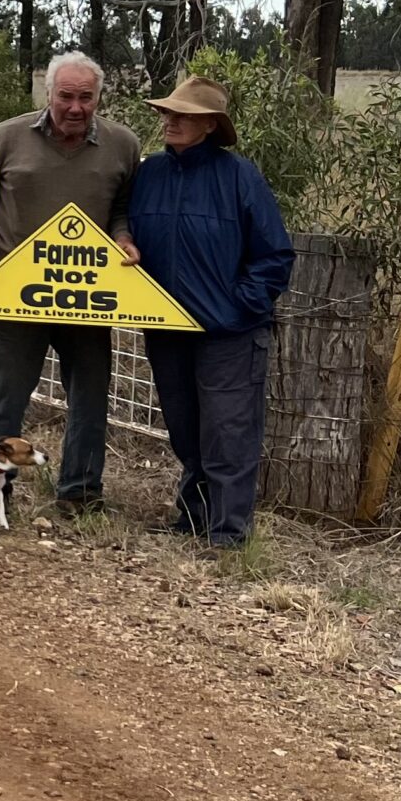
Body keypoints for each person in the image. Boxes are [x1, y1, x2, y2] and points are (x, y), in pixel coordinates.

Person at [0, 50, 143, 517]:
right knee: (6, 397)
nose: (75, 107)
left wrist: (123, 237)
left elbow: (124, 207)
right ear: (47, 94)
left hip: (85, 295)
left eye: (86, 98)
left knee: (89, 395)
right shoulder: (4, 139)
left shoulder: (123, 146)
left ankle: (80, 493)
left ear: (98, 98)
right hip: (12, 297)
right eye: (66, 96)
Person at [128, 76, 295, 549]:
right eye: (167, 112)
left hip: (229, 332)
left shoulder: (240, 176)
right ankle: (194, 517)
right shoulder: (149, 174)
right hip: (165, 327)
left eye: (184, 115)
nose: (171, 120)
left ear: (209, 125)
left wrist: (238, 307)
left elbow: (274, 255)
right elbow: (123, 231)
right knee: (185, 428)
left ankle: (229, 534)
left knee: (229, 433)